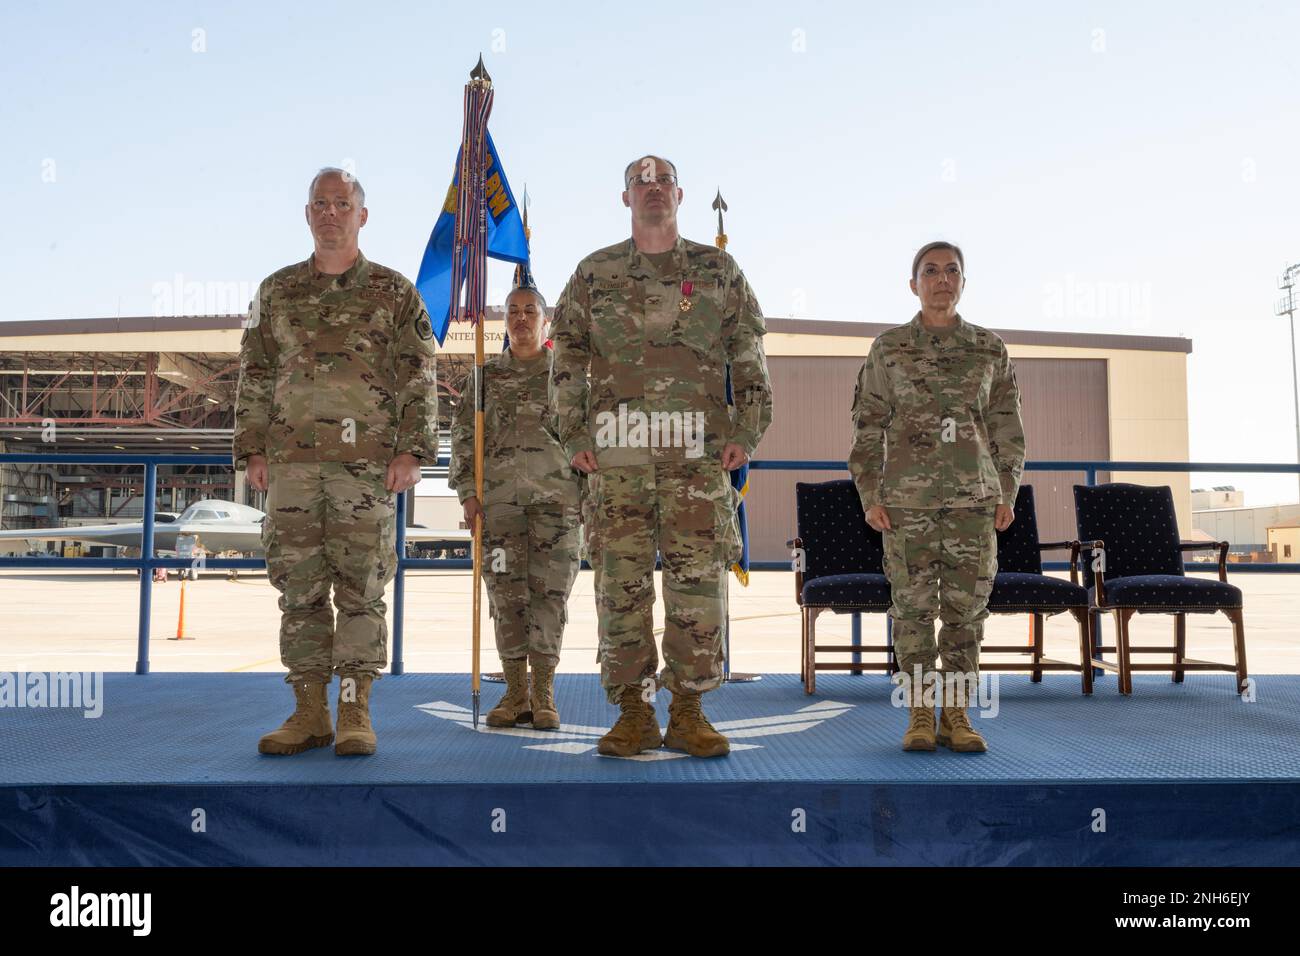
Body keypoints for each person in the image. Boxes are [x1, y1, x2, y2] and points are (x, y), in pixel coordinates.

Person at [550, 155, 773, 758]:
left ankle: (691, 710)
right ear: (625, 198)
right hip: (617, 456)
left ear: (681, 194)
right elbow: (565, 354)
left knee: (696, 584)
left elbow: (748, 351)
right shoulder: (593, 274)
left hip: (696, 456)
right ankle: (632, 713)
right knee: (621, 586)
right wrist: (573, 434)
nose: (653, 192)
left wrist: (746, 432)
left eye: (663, 183)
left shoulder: (717, 269)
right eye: (640, 184)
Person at [234, 167, 438, 757]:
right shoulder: (276, 291)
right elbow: (256, 372)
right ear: (307, 214)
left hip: (364, 468)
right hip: (292, 468)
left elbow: (418, 377)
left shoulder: (394, 292)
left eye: (342, 203)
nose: (331, 212)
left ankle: (353, 711)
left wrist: (411, 449)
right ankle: (307, 713)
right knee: (298, 591)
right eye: (320, 203)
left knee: (361, 589)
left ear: (361, 216)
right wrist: (251, 447)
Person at [848, 240, 1025, 753]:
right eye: (930, 271)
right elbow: (867, 425)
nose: (941, 279)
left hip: (974, 502)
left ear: (963, 283)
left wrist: (1006, 491)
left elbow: (1007, 429)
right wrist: (869, 494)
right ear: (914, 284)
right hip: (906, 505)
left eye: (952, 271)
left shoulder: (990, 350)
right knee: (912, 613)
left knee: (966, 614)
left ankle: (958, 712)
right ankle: (920, 713)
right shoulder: (889, 349)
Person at [448, 284, 581, 730]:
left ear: (546, 321)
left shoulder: (565, 376)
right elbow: (465, 438)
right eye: (513, 312)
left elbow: (586, 441)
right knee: (506, 600)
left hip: (557, 506)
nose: (521, 319)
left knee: (550, 597)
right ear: (504, 321)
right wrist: (468, 492)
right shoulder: (485, 378)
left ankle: (543, 693)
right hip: (499, 507)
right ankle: (514, 692)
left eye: (530, 311)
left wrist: (588, 499)